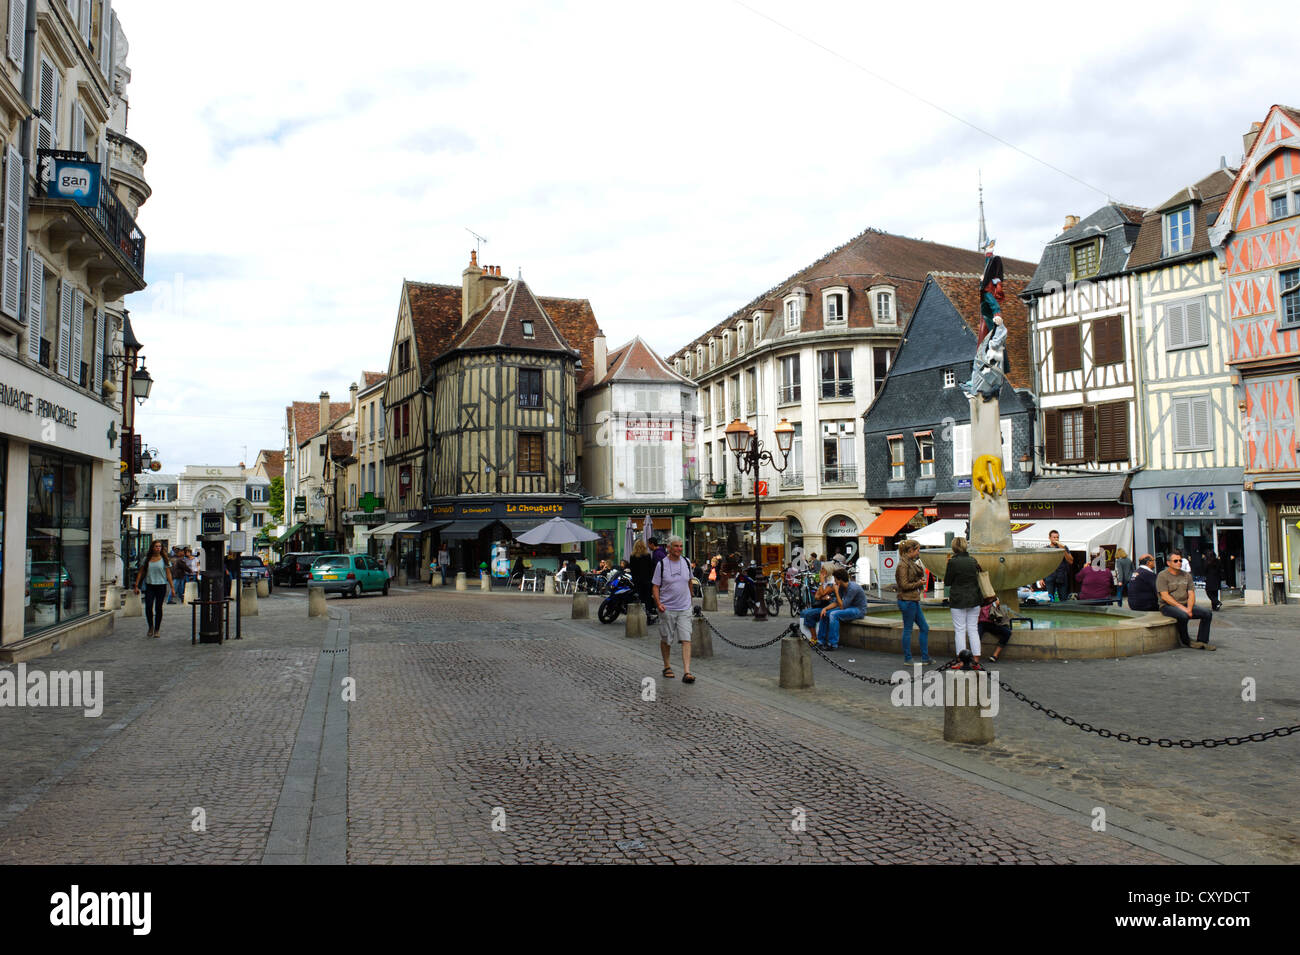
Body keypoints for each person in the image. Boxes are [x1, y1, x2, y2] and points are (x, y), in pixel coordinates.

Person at [652, 537, 696, 683]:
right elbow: (655, 586)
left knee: (686, 639)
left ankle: (687, 671)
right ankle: (667, 666)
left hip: (684, 608)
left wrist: (690, 598)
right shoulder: (661, 565)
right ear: (669, 548)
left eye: (681, 546)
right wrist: (658, 603)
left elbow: (689, 580)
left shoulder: (686, 562)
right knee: (666, 639)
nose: (679, 549)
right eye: (676, 546)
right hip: (667, 608)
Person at [1156, 550, 1215, 650]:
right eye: (1175, 561)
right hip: (1168, 606)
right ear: (1168, 563)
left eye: (1180, 561)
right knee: (1183, 616)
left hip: (1185, 604)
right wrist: (1184, 609)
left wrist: (1189, 608)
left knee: (1207, 613)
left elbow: (1191, 594)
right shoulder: (1162, 576)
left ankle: (1202, 641)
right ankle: (1186, 640)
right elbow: (1165, 596)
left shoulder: (1187, 575)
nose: (1179, 563)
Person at [943, 537, 984, 660]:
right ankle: (976, 658)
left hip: (958, 599)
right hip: (974, 598)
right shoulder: (973, 560)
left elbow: (948, 582)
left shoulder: (952, 562)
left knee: (960, 630)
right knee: (973, 629)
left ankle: (961, 660)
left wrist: (947, 566)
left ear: (954, 548)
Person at [811, 567, 867, 650]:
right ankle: (820, 641)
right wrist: (825, 609)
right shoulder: (841, 587)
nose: (834, 582)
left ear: (840, 579)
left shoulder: (853, 588)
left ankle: (832, 644)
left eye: (835, 579)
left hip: (858, 610)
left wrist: (836, 592)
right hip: (849, 608)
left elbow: (842, 606)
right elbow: (837, 602)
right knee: (825, 613)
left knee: (834, 614)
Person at [895, 539, 930, 664]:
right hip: (907, 600)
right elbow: (903, 585)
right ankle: (908, 658)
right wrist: (918, 584)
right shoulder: (903, 565)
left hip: (912, 600)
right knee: (908, 629)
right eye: (917, 550)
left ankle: (925, 657)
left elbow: (917, 573)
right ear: (911, 550)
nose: (918, 552)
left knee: (924, 628)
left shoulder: (909, 563)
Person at [134, 540, 174, 639]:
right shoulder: (146, 559)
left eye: (159, 546)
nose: (158, 548)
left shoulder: (165, 560)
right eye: (156, 546)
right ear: (152, 547)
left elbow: (168, 574)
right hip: (150, 585)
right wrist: (136, 585)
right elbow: (141, 572)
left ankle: (157, 629)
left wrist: (172, 588)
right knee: (148, 607)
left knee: (158, 608)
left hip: (161, 585)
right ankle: (150, 626)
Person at [798, 563, 837, 643]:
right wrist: (822, 592)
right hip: (823, 604)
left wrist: (822, 583)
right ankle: (810, 635)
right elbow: (816, 596)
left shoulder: (832, 582)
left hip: (830, 606)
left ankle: (814, 637)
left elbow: (822, 593)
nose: (821, 571)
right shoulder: (825, 581)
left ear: (828, 570)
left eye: (823, 569)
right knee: (804, 612)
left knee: (809, 614)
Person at [1043, 530, 1073, 602]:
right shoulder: (1045, 549)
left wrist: (1063, 549)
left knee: (1063, 598)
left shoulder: (1064, 547)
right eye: (1054, 537)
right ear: (1049, 538)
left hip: (1061, 576)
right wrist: (1041, 578)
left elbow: (1071, 561)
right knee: (1050, 598)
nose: (1056, 539)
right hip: (1050, 576)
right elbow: (1042, 564)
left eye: (1057, 537)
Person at [629, 540, 656, 620]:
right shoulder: (647, 555)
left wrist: (634, 580)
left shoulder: (632, 556)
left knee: (639, 598)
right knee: (647, 598)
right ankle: (647, 614)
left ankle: (639, 615)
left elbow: (632, 570)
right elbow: (650, 569)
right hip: (647, 580)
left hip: (637, 581)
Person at [979, 598, 1013, 662]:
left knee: (1007, 633)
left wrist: (995, 603)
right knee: (976, 636)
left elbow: (997, 609)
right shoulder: (979, 600)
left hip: (993, 622)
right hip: (981, 623)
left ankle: (995, 655)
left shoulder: (994, 599)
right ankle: (973, 656)